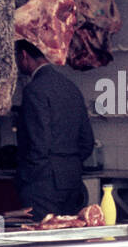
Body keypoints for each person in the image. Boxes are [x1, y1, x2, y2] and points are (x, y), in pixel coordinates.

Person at [14, 39, 95, 219]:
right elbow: (87, 142)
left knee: (42, 241)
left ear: (24, 56)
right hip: (73, 181)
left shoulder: (34, 90)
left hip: (42, 184)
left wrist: (29, 179)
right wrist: (68, 163)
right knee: (69, 240)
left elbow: (38, 143)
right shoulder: (71, 87)